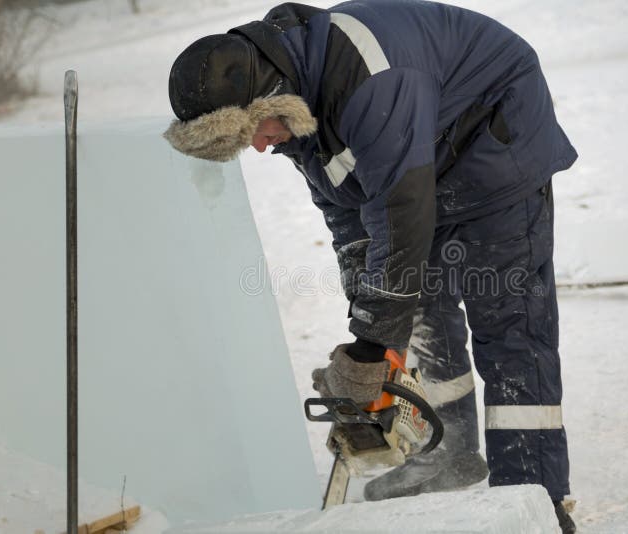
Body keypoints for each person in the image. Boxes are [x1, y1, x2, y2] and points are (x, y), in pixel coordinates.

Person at [164, 1, 577, 531]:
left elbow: (400, 211)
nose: (263, 147)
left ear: (267, 97)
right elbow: (351, 218)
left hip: (494, 144)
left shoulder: (368, 77)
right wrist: (373, 338)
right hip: (422, 159)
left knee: (510, 326)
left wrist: (371, 344)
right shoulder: (300, 105)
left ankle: (537, 498)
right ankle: (447, 453)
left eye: (254, 132)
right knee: (418, 308)